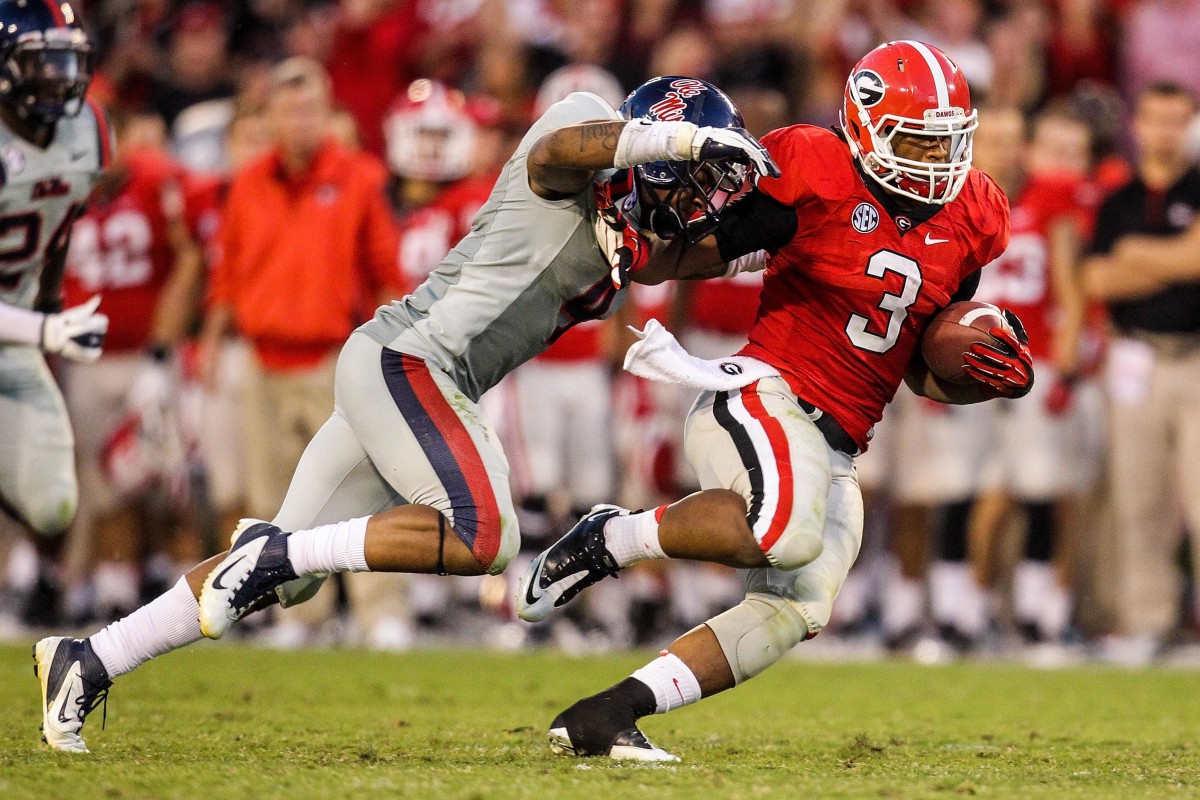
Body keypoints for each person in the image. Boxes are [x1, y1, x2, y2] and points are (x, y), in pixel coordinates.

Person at [33, 75, 779, 753]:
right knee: (484, 533)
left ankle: (90, 657)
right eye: (693, 182)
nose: (698, 205)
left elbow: (724, 250)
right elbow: (565, 150)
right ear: (655, 155)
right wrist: (679, 139)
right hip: (411, 361)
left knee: (278, 581)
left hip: (403, 374)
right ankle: (278, 553)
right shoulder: (582, 136)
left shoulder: (631, 237)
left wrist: (803, 220)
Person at [516, 41, 1028, 761]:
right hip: (762, 395)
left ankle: (606, 716)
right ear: (867, 124)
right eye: (916, 138)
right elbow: (694, 253)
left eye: (947, 141)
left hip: (841, 444)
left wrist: (979, 371)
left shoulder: (976, 213)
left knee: (797, 606)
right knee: (784, 528)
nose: (933, 158)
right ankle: (613, 537)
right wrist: (633, 237)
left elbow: (918, 366)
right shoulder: (815, 169)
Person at [59, 108, 203, 620]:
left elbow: (188, 260)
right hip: (88, 360)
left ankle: (194, 596)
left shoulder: (156, 182)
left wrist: (163, 351)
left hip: (147, 356)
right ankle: (116, 589)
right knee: (104, 479)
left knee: (170, 483)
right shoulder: (61, 192)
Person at [0, 0, 110, 626]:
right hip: (24, 329)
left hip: (13, 332)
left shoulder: (85, 133)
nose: (60, 78)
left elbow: (59, 220)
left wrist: (45, 304)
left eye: (66, 60)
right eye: (41, 63)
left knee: (53, 505)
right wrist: (46, 327)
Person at [1082, 81, 1200, 665]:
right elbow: (1095, 282)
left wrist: (1133, 255)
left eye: (1178, 120)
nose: (1166, 131)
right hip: (1135, 358)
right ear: (1139, 124)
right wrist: (1173, 259)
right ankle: (1148, 622)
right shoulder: (1117, 198)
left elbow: (1197, 260)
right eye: (1156, 119)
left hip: (1195, 357)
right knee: (1139, 497)